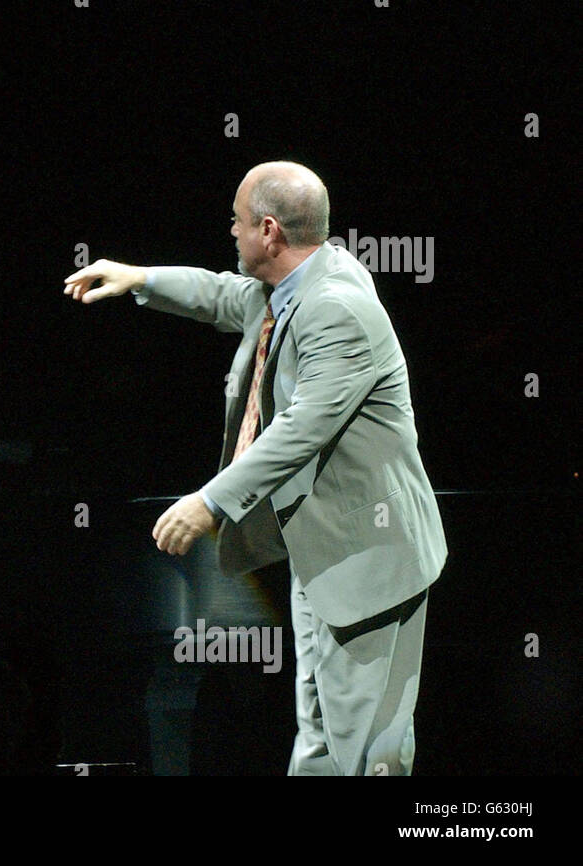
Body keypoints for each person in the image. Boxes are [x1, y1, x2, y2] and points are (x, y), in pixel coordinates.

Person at [62, 161, 447, 775]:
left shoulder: (336, 308)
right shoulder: (293, 287)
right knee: (320, 736)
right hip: (323, 550)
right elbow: (223, 295)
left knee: (369, 750)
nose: (231, 232)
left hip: (367, 554)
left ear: (269, 231)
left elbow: (301, 430)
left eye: (238, 223)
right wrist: (139, 278)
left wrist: (209, 501)